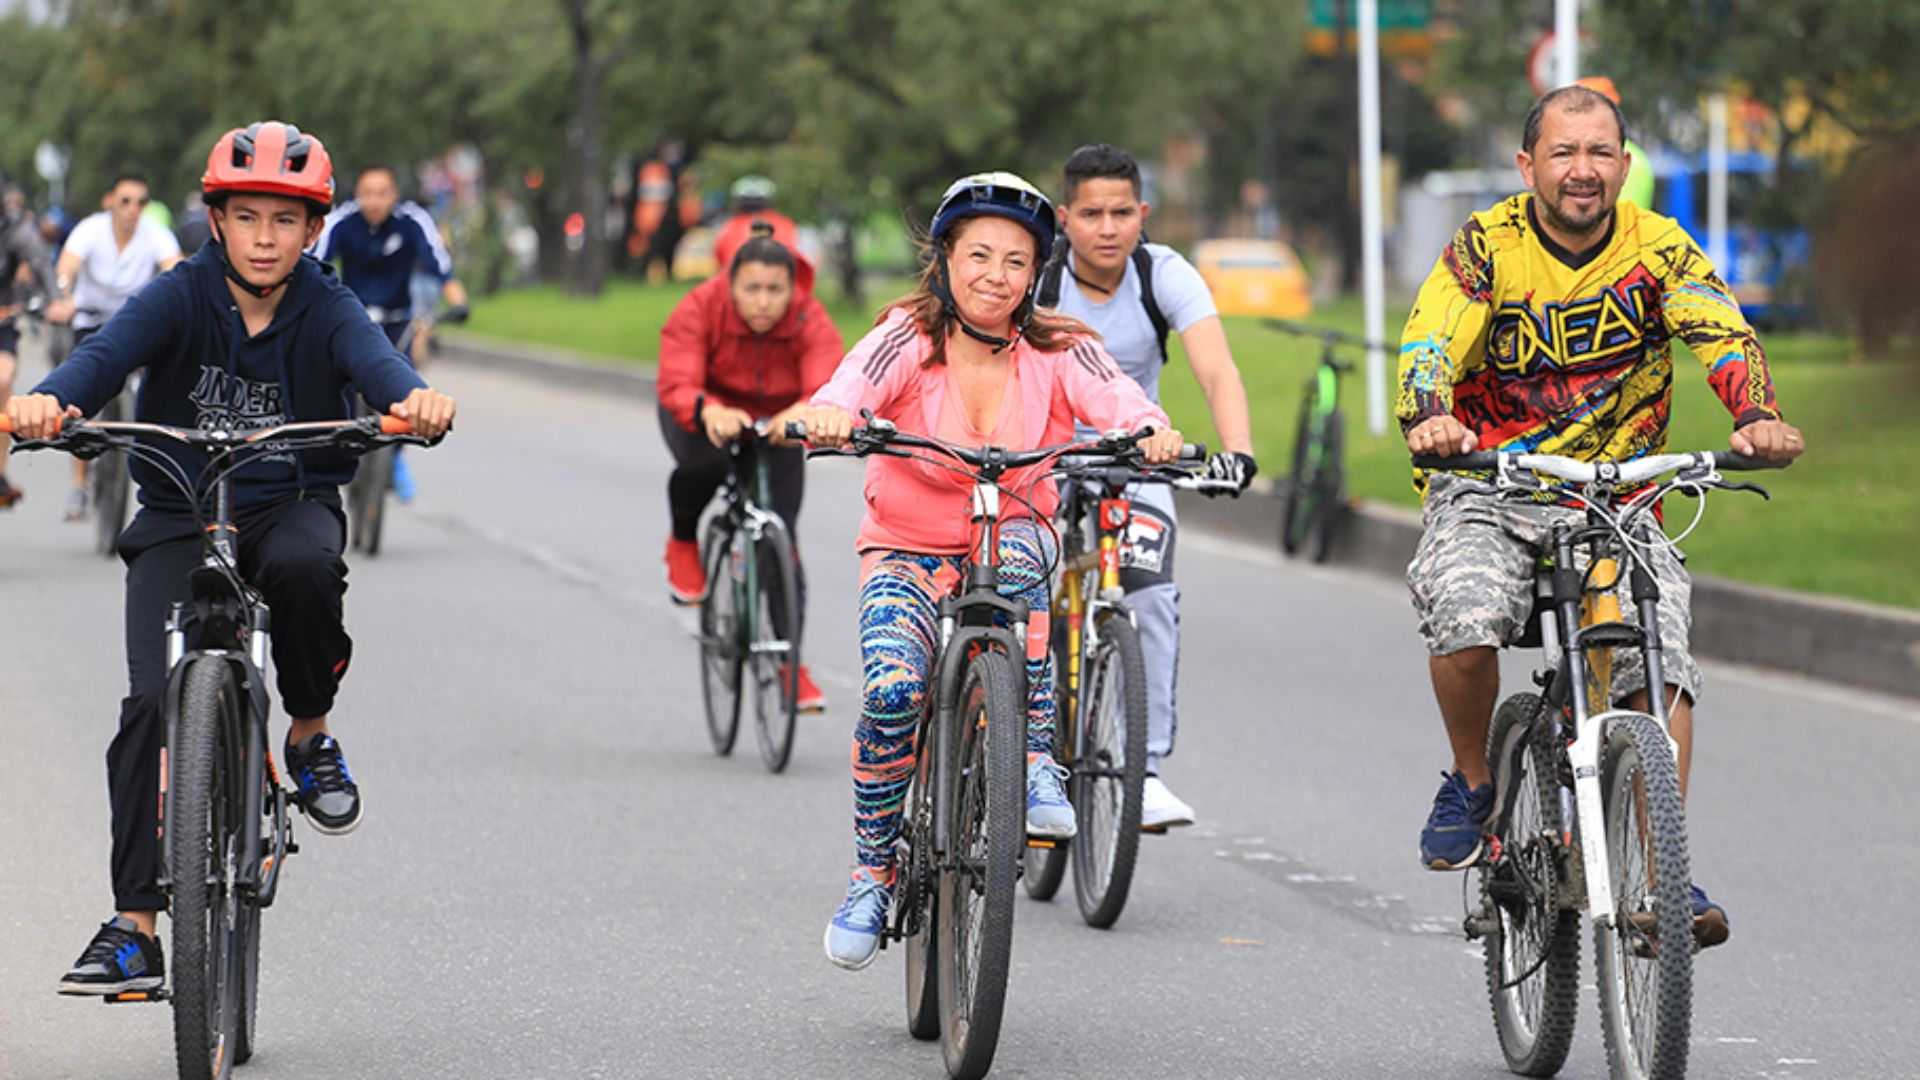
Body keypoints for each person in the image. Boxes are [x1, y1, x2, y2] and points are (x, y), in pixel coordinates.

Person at [7, 121, 456, 995]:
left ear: (312, 231)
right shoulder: (180, 294)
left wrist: (414, 399)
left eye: (283, 221)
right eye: (245, 216)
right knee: (147, 704)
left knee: (306, 570)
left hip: (288, 503)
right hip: (179, 511)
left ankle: (310, 732)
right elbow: (106, 356)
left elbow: (377, 360)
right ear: (215, 221)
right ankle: (136, 925)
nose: (262, 237)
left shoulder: (325, 303)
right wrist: (49, 401)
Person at [1398, 86, 1803, 947]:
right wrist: (1431, 413)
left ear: (1623, 163)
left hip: (1616, 492)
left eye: (1599, 154)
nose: (1582, 171)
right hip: (1492, 483)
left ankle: (1659, 873)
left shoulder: (1657, 246)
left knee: (1658, 659)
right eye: (1562, 153)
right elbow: (1430, 339)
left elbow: (1721, 333)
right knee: (1466, 612)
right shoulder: (1486, 246)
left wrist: (1755, 412)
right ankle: (1473, 782)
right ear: (1527, 165)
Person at [801, 172, 1183, 970]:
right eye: (978, 255)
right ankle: (872, 872)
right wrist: (835, 413)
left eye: (1016, 261)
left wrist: (1149, 429)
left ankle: (1036, 758)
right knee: (893, 693)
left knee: (1017, 563)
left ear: (1035, 271)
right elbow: (854, 381)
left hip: (1014, 528)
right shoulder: (908, 333)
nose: (995, 276)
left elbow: (1117, 399)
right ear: (944, 258)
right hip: (906, 547)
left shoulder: (1062, 343)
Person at [1039, 142, 1259, 829]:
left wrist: (1239, 452)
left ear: (1144, 214)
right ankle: (1010, 749)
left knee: (1151, 596)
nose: (1108, 228)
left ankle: (1146, 769)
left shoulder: (1162, 274)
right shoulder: (1038, 281)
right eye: (1092, 214)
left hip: (1137, 460)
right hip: (1038, 459)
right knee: (1015, 598)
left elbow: (1217, 371)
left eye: (1122, 213)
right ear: (1064, 218)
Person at [656, 215, 842, 712]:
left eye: (775, 290)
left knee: (784, 539)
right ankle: (682, 545)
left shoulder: (808, 317)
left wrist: (808, 409)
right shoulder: (699, 307)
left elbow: (830, 377)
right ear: (730, 284)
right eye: (752, 289)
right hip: (707, 413)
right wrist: (708, 410)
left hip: (779, 421)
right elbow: (677, 378)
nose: (763, 301)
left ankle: (789, 664)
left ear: (792, 288)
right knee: (701, 466)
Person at [310, 163, 469, 502]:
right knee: (341, 396)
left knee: (405, 394)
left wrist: (458, 302)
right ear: (357, 195)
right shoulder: (342, 222)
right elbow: (311, 264)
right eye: (367, 193)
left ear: (395, 195)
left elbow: (441, 267)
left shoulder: (413, 222)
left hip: (398, 322)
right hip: (352, 325)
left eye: (382, 193)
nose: (374, 201)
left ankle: (393, 461)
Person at [46, 172, 185, 521]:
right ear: (109, 201)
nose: (133, 209)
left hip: (136, 324)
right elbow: (67, 268)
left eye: (141, 202)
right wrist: (62, 297)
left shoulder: (155, 235)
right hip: (90, 321)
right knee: (80, 404)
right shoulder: (90, 230)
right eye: (125, 201)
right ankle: (80, 488)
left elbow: (177, 270)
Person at [0, 184, 59, 508]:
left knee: (3, 379)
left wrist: (57, 300)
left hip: (2, 317)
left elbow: (40, 261)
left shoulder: (14, 227)